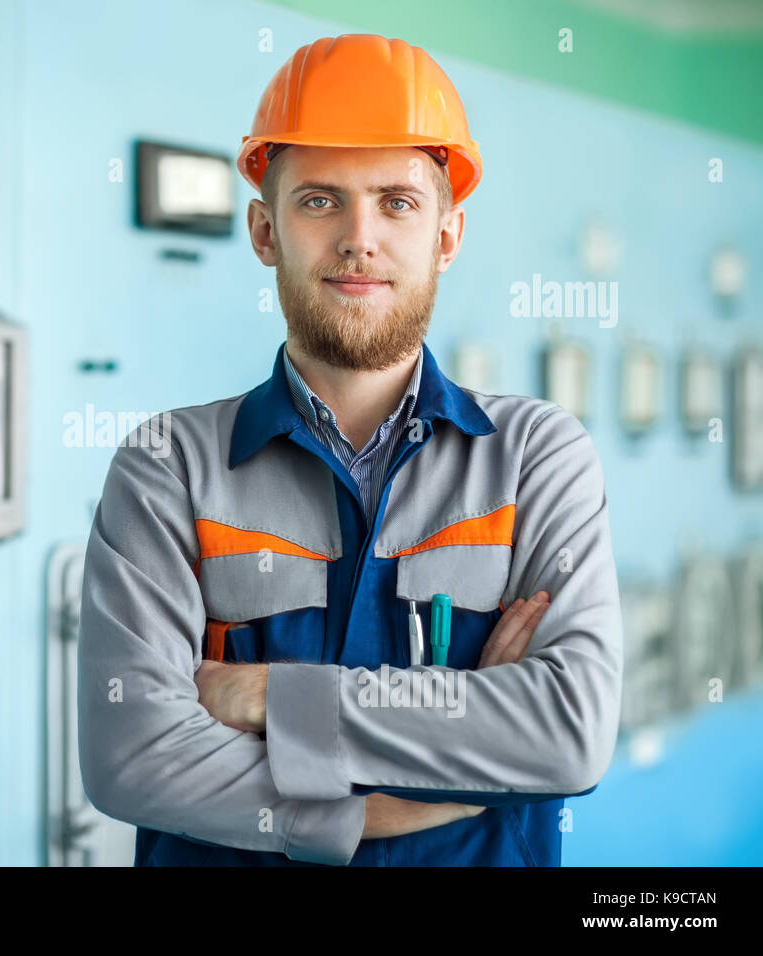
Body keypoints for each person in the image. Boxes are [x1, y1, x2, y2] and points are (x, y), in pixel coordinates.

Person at [76, 34, 624, 867]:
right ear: (265, 231)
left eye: (398, 202)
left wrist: (263, 696)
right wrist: (399, 794)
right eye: (320, 201)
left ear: (448, 235)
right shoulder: (168, 468)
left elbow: (568, 734)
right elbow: (132, 756)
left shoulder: (536, 459)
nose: (359, 238)